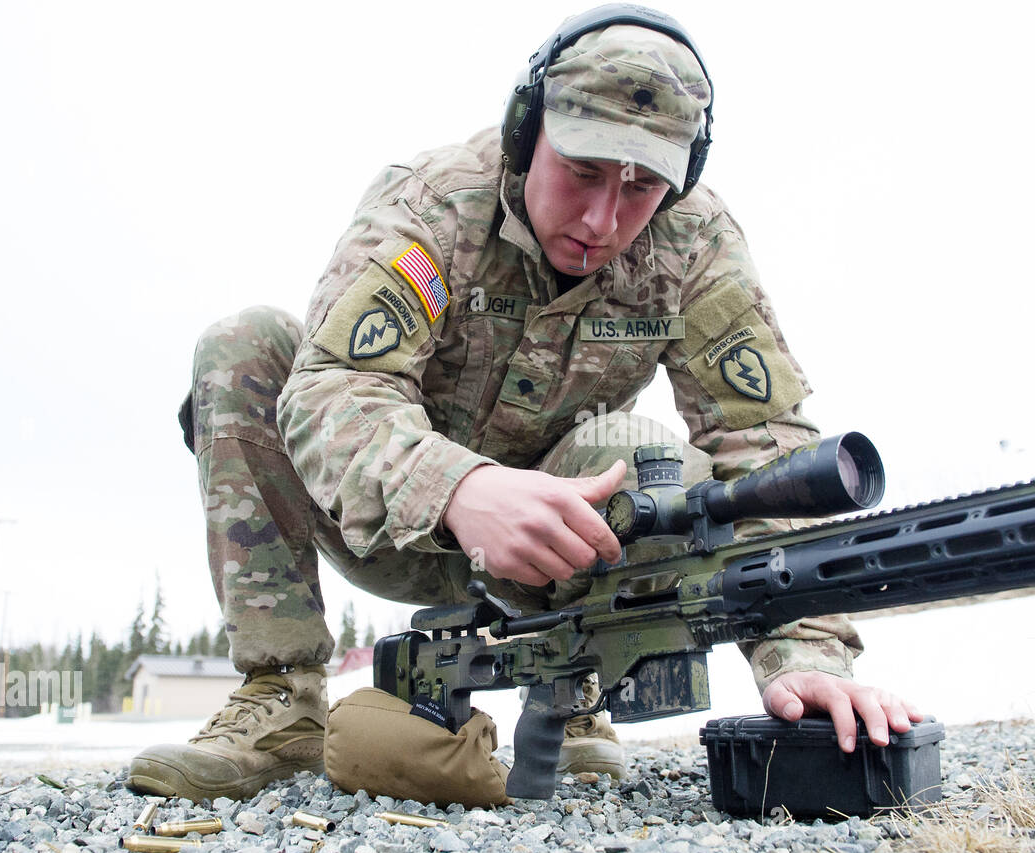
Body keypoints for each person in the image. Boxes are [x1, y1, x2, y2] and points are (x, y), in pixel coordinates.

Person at [128, 5, 922, 804]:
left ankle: (578, 686)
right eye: (582, 172)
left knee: (655, 461)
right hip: (387, 519)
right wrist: (461, 490)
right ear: (526, 131)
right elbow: (337, 384)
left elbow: (764, 442)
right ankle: (283, 698)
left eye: (643, 186)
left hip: (567, 545)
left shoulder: (695, 243)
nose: (603, 219)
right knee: (245, 345)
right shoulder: (437, 208)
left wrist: (807, 654)